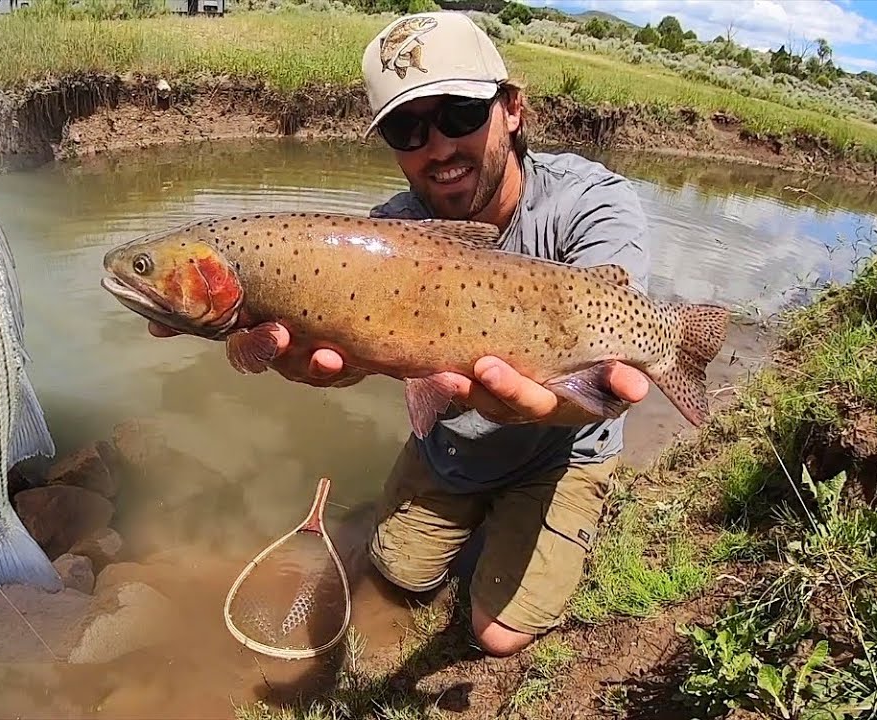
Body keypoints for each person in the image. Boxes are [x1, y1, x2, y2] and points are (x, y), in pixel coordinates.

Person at [152, 11, 653, 658]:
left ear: (513, 110)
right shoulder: (387, 232)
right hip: (452, 442)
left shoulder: (594, 203)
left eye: (461, 115)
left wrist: (576, 398)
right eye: (406, 128)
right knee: (398, 576)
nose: (437, 147)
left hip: (566, 447)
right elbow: (355, 355)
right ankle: (474, 520)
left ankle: (568, 513)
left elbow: (613, 371)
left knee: (496, 636)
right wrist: (342, 361)